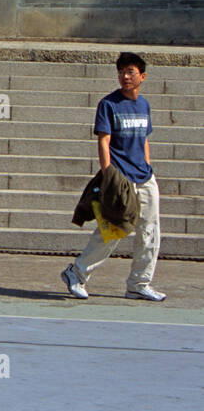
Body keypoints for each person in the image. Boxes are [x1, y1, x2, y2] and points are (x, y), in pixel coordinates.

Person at [62, 52, 166, 302]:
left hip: (144, 177)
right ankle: (77, 273)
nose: (125, 76)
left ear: (142, 76)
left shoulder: (144, 105)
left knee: (150, 232)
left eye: (130, 72)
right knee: (112, 230)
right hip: (120, 178)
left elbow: (144, 140)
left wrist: (148, 166)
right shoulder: (108, 104)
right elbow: (104, 140)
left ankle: (139, 284)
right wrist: (109, 174)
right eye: (121, 72)